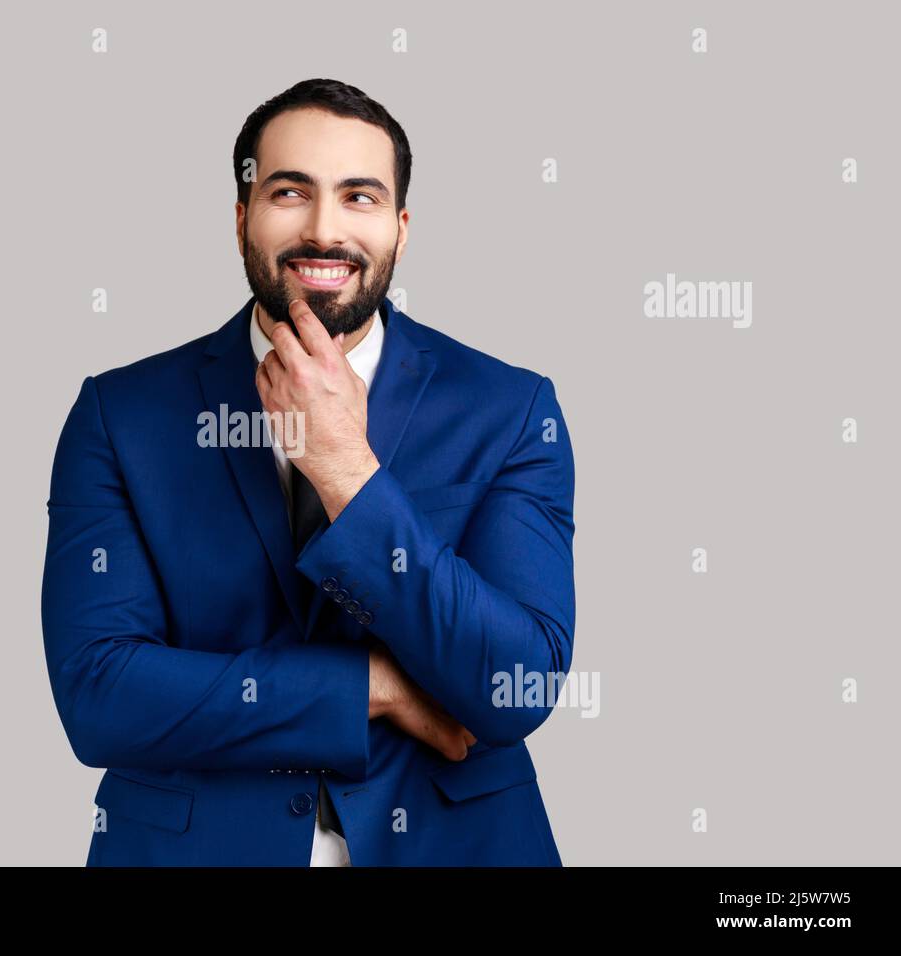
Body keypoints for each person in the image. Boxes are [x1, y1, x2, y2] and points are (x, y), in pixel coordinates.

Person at [42, 78, 575, 866]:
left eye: (359, 197)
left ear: (400, 227)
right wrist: (373, 686)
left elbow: (515, 684)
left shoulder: (512, 408)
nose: (325, 231)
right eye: (290, 192)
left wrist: (348, 473)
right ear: (241, 218)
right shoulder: (119, 415)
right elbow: (100, 694)